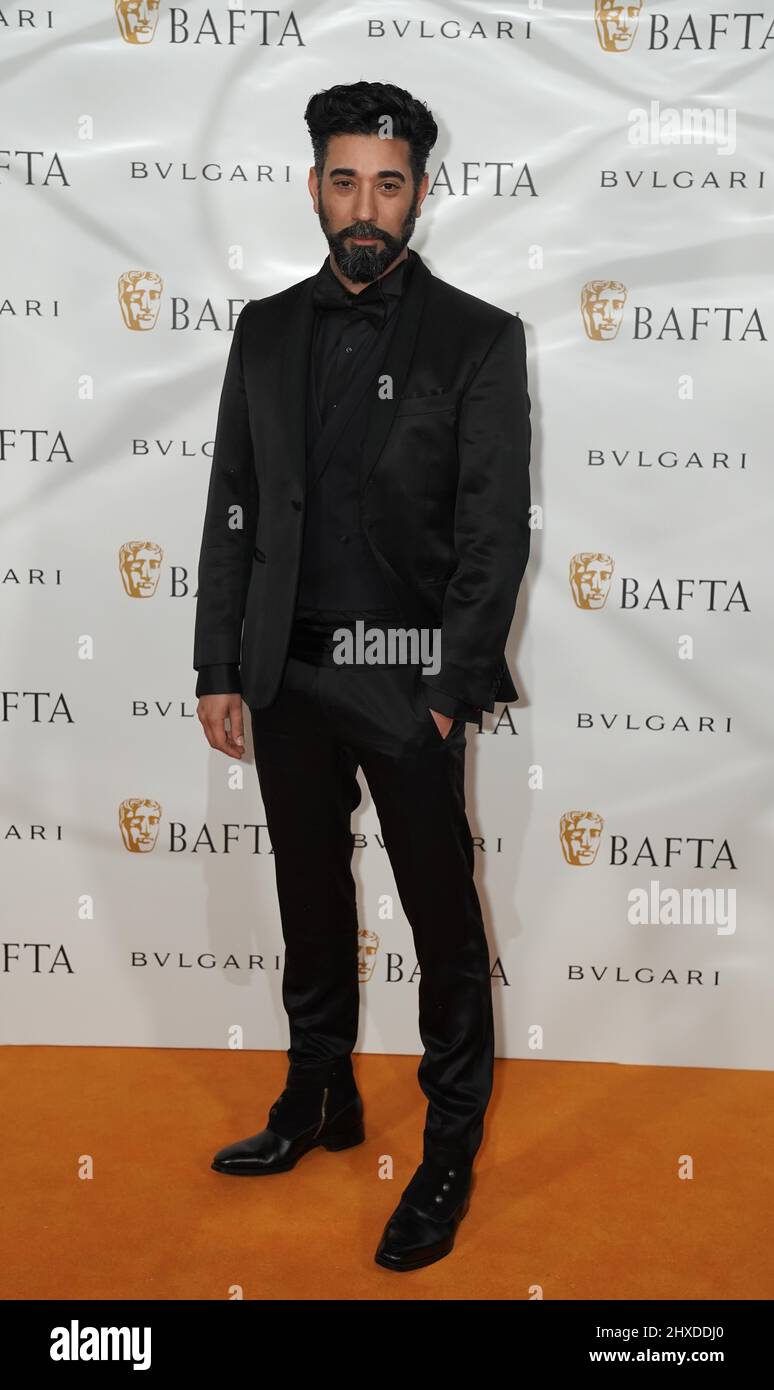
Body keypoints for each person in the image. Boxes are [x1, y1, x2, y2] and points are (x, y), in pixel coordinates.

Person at [193, 80, 532, 1273]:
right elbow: (233, 503)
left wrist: (446, 687)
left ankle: (446, 1153)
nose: (365, 205)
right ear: (314, 186)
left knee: (443, 922)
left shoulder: (481, 338)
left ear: (420, 191)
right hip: (284, 670)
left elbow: (494, 537)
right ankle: (318, 1099)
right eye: (344, 179)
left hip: (404, 675)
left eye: (388, 182)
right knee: (308, 897)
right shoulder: (266, 328)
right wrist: (218, 661)